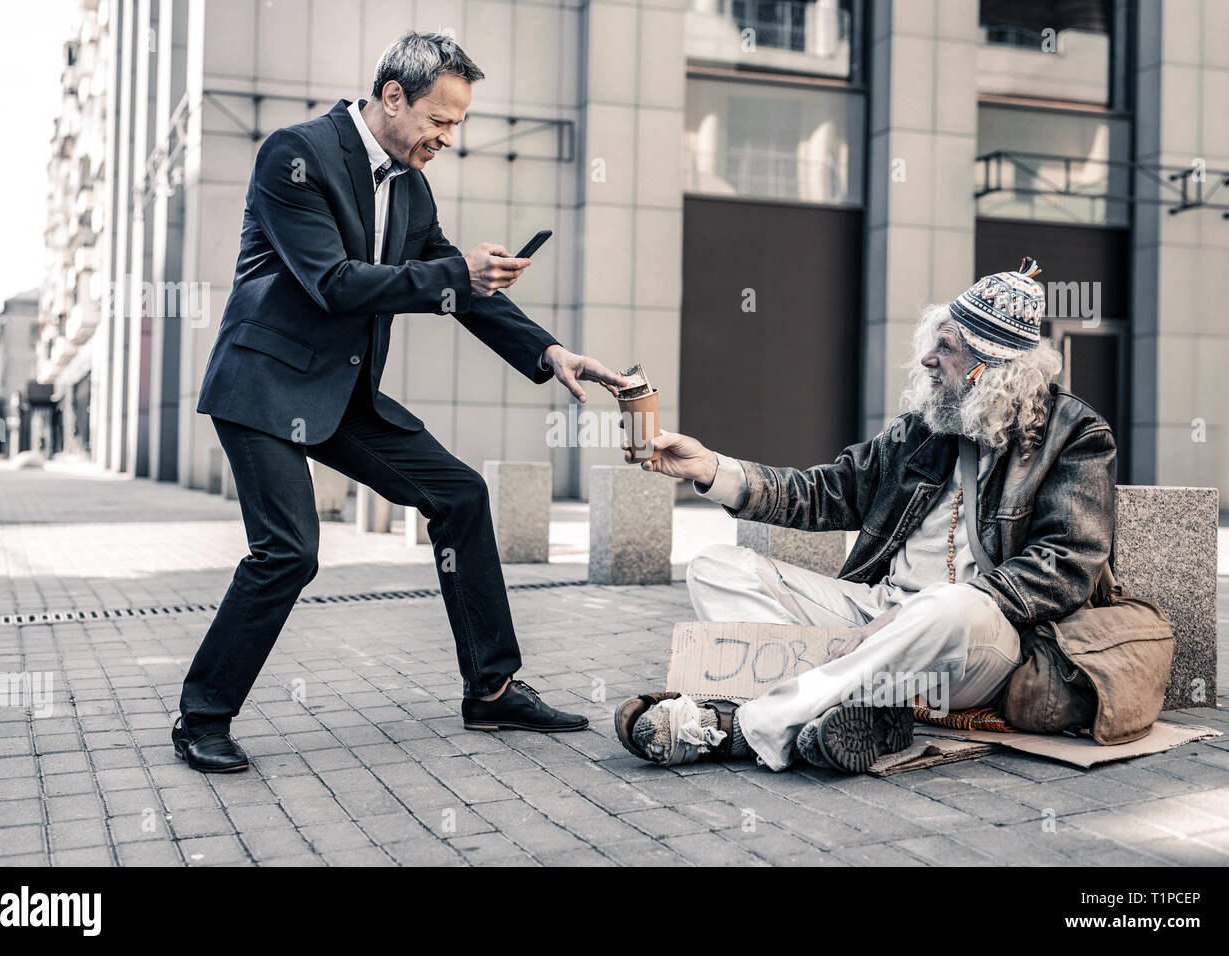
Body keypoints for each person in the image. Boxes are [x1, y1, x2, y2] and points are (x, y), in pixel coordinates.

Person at [176, 31, 628, 773]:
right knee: (288, 551)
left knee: (461, 496)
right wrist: (457, 270)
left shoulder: (411, 188)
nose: (449, 138)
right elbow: (336, 282)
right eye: (440, 121)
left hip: (341, 393)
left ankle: (492, 689)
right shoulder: (296, 156)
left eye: (458, 124)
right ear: (392, 97)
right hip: (262, 387)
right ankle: (202, 717)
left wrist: (548, 351)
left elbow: (460, 291)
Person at [615, 259, 1117, 773]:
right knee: (715, 567)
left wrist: (917, 612)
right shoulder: (922, 428)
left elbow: (1065, 565)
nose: (926, 358)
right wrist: (713, 468)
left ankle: (744, 726)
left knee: (947, 608)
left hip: (977, 640)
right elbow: (828, 491)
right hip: (877, 617)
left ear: (991, 367)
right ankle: (842, 715)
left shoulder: (1076, 436)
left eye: (946, 347)